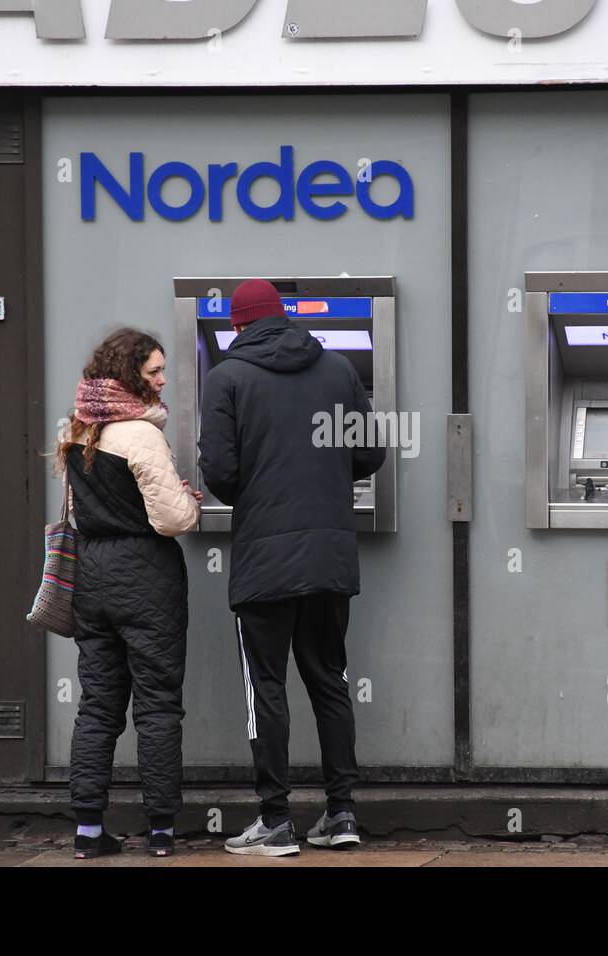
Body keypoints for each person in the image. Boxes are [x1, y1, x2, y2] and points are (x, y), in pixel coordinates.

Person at [198, 279, 386, 857]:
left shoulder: (225, 377)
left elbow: (222, 476)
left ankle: (276, 820)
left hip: (264, 559)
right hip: (330, 554)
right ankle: (342, 813)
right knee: (329, 680)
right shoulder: (337, 369)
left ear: (237, 326)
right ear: (286, 318)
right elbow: (370, 453)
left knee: (267, 686)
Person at [57, 328, 202, 860]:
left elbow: (78, 513)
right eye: (154, 373)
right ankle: (161, 831)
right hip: (146, 579)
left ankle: (89, 832)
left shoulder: (79, 430)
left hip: (92, 577)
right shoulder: (141, 434)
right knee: (158, 706)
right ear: (128, 377)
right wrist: (191, 503)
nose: (163, 381)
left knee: (97, 707)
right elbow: (170, 519)